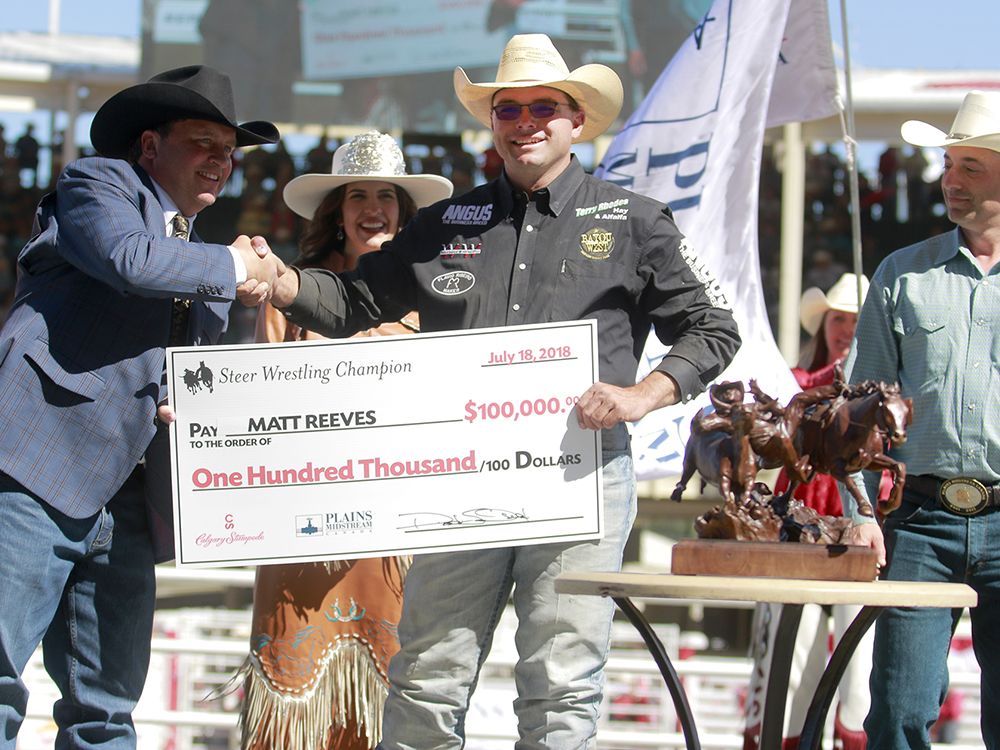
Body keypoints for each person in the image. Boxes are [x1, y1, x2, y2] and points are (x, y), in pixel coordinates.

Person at [266, 33, 740, 749]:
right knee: (426, 677)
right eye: (508, 108)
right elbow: (354, 300)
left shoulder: (636, 220)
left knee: (560, 688)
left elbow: (712, 327)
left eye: (542, 107)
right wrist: (277, 281)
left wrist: (645, 393)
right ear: (493, 122)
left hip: (579, 476)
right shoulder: (443, 223)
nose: (526, 122)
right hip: (463, 475)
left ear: (577, 118)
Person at [0, 65, 283, 747]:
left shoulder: (207, 254)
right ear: (150, 148)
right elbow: (130, 259)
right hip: (36, 465)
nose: (221, 162)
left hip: (127, 491)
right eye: (204, 143)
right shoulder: (96, 183)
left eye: (229, 151)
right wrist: (240, 269)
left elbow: (205, 376)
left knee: (107, 707)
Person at [236, 131, 453, 750]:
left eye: (386, 195)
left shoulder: (438, 304)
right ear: (337, 211)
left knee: (392, 705)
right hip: (302, 539)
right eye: (357, 195)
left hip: (397, 540)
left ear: (405, 213)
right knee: (291, 710)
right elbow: (256, 414)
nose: (372, 208)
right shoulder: (291, 295)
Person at [844, 89, 1000, 748]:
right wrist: (858, 515)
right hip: (918, 520)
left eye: (970, 166)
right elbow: (858, 412)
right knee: (899, 713)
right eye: (948, 163)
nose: (950, 180)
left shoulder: (906, 274)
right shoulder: (900, 275)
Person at [743, 272, 872, 750]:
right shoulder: (795, 383)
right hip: (797, 526)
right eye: (839, 318)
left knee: (863, 674)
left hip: (858, 532)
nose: (846, 328)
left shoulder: (877, 390)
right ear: (824, 325)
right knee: (790, 664)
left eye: (857, 320)